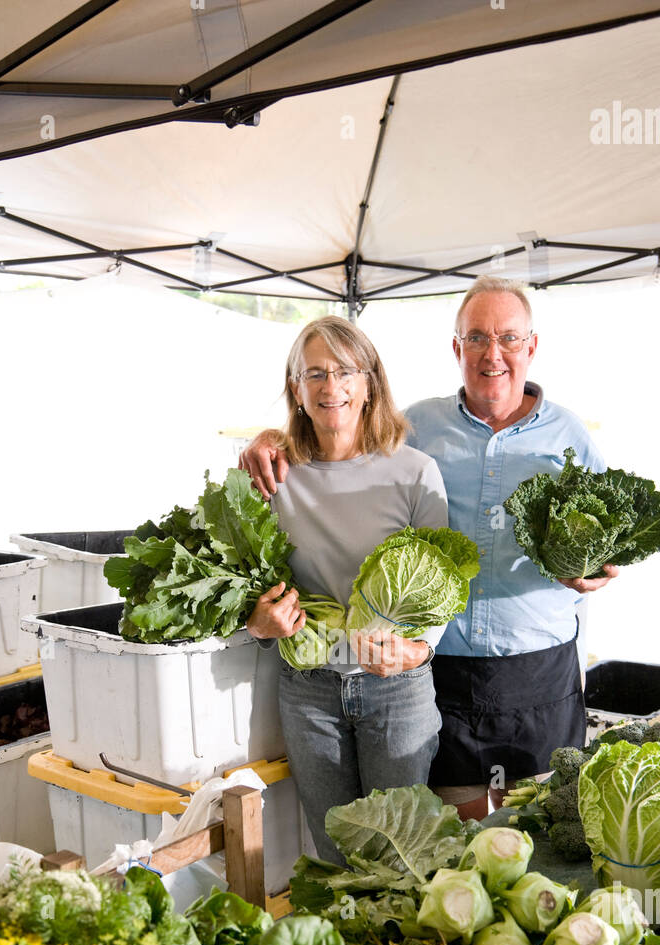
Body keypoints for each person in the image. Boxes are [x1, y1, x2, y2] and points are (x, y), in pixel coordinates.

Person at [241, 277, 618, 823]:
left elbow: (611, 538)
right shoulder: (417, 431)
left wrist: (597, 570)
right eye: (477, 338)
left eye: (509, 338)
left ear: (531, 346)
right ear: (456, 347)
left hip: (539, 672)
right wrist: (270, 438)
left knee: (542, 827)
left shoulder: (571, 436)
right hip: (444, 673)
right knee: (444, 840)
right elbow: (343, 440)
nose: (494, 354)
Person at [244, 315, 449, 862]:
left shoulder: (415, 472)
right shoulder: (273, 474)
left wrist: (419, 647)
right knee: (336, 855)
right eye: (314, 373)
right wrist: (257, 625)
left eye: (344, 372)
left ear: (369, 384)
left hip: (396, 689)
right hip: (309, 690)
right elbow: (247, 574)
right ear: (296, 388)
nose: (330, 387)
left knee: (400, 856)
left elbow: (443, 579)